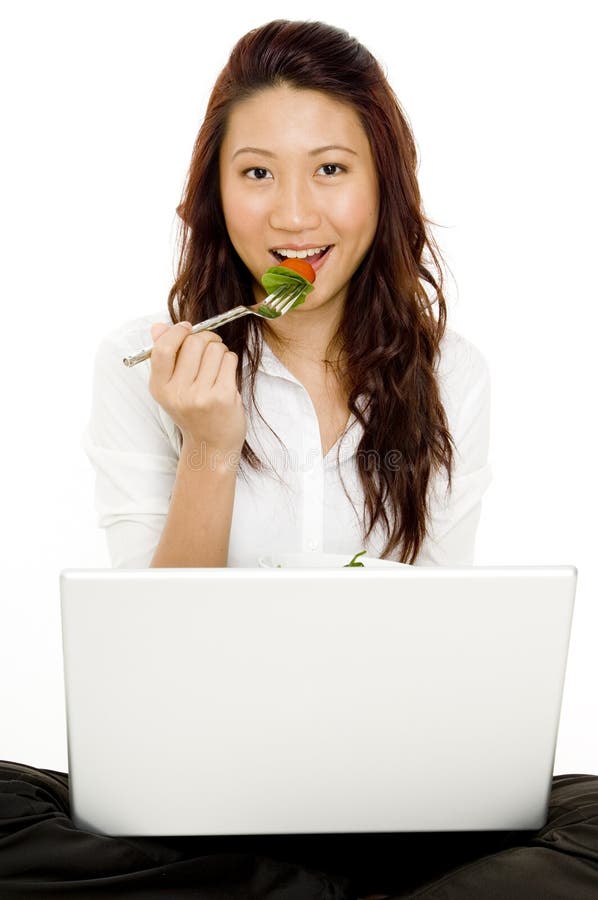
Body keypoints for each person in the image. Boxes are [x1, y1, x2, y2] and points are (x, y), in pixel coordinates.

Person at [1, 18, 597, 900]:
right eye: (257, 173)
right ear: (215, 192)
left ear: (381, 186)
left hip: (393, 801)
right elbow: (157, 677)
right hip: (193, 802)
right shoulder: (145, 362)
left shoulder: (451, 376)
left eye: (330, 169)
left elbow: (442, 651)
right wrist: (210, 447)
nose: (293, 215)